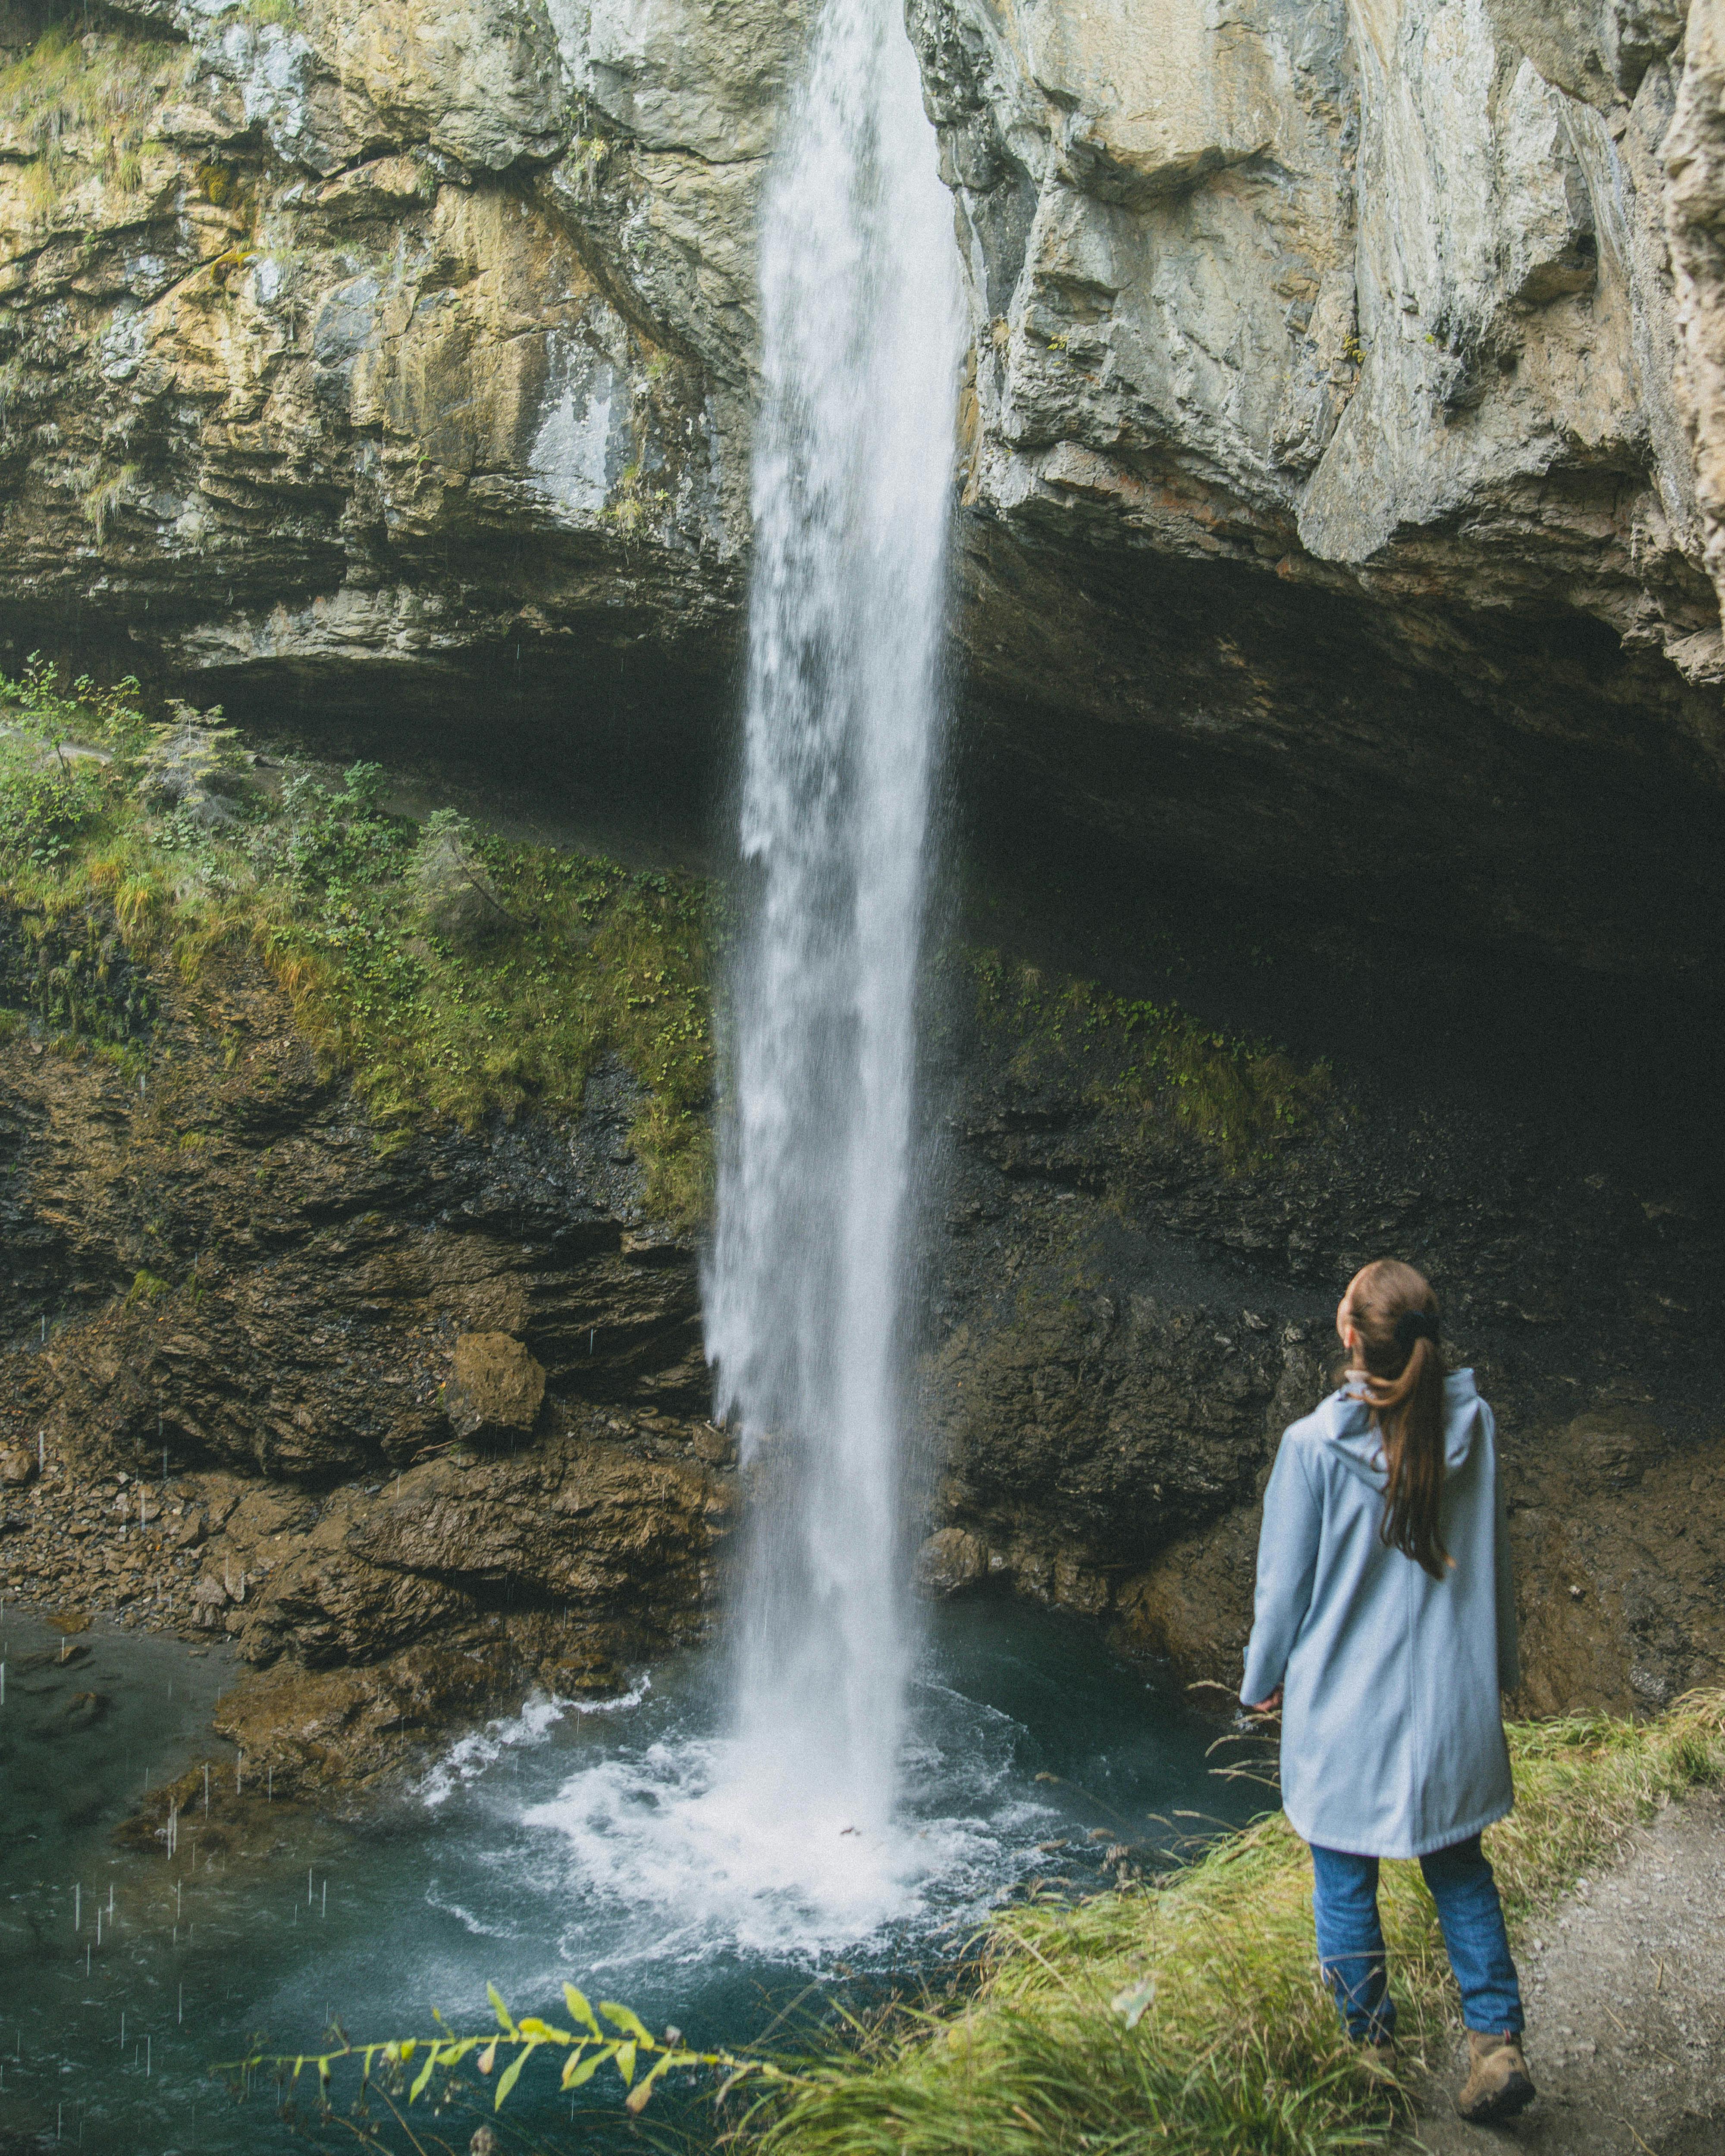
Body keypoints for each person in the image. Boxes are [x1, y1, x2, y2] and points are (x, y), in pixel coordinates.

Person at [1240, 1258, 1534, 2124]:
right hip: (1448, 1708)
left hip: (1344, 1715)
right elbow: (1494, 1559)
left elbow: (1280, 1592)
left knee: (1342, 1884)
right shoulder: (1470, 1423)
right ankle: (1495, 2046)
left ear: (1348, 1336)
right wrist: (1500, 1670)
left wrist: (1259, 1683)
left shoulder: (1310, 1448)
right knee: (1459, 1871)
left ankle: (1368, 2059)